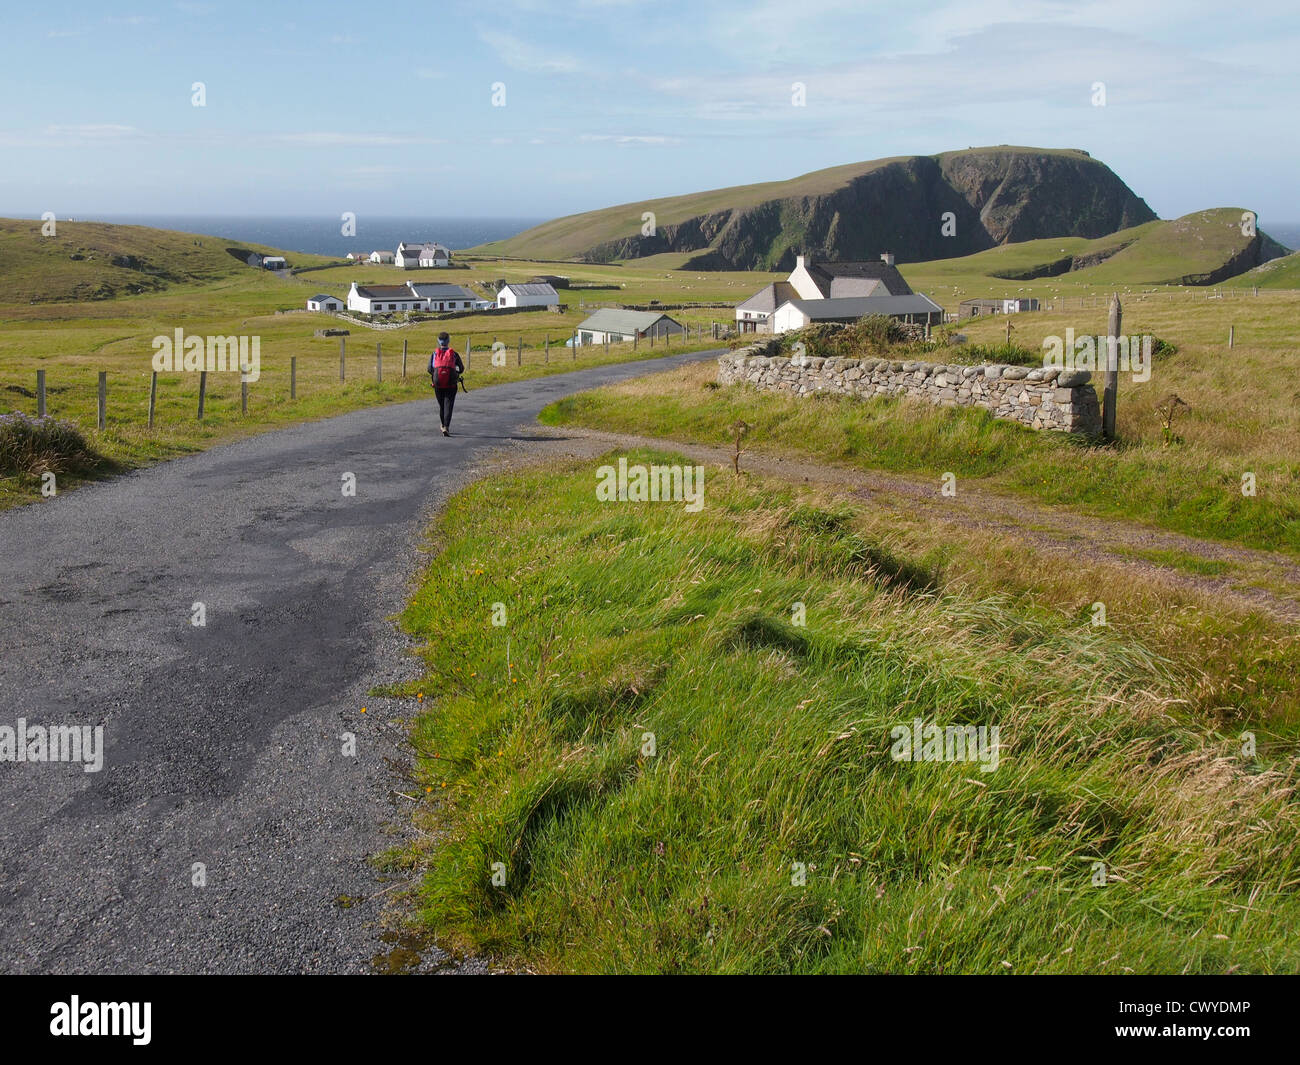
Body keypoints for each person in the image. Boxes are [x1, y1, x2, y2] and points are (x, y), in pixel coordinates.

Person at [428, 332, 465, 436]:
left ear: (438, 341)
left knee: (442, 405)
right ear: (448, 341)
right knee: (448, 404)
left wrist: (436, 374)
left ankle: (442, 424)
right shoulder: (454, 354)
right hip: (451, 384)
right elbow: (461, 369)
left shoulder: (434, 354)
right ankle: (446, 426)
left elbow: (429, 369)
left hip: (438, 383)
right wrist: (455, 373)